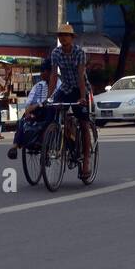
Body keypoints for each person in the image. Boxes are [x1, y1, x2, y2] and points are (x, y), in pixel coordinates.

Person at [49, 23, 92, 179]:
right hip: (65, 88)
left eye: (65, 35)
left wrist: (82, 97)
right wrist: (49, 96)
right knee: (53, 110)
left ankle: (86, 159)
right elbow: (54, 75)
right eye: (60, 35)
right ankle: (63, 137)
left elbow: (81, 76)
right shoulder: (55, 53)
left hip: (80, 88)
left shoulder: (79, 52)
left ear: (72, 38)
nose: (62, 38)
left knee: (84, 123)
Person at [7, 59, 53, 160]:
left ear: (50, 72)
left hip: (51, 110)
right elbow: (29, 103)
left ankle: (44, 144)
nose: (41, 74)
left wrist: (39, 105)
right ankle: (15, 146)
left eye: (43, 71)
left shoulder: (58, 85)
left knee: (48, 117)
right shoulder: (38, 86)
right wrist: (29, 110)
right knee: (22, 121)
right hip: (37, 110)